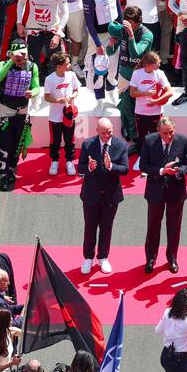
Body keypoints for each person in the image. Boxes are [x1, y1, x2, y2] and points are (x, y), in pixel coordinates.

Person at [78, 116, 130, 274]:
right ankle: (88, 258)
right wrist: (90, 168)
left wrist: (111, 166)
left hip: (110, 195)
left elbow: (125, 169)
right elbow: (80, 167)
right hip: (91, 194)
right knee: (90, 228)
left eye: (109, 132)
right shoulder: (88, 144)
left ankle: (103, 257)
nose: (107, 135)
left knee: (106, 228)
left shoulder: (120, 145)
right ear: (97, 131)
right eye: (104, 133)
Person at [140, 115, 187, 273]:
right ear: (159, 132)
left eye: (171, 132)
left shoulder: (183, 140)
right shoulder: (149, 141)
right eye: (166, 133)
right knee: (153, 225)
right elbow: (143, 165)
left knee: (174, 227)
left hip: (176, 191)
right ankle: (151, 258)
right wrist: (162, 171)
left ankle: (172, 257)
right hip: (155, 191)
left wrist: (178, 171)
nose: (169, 136)